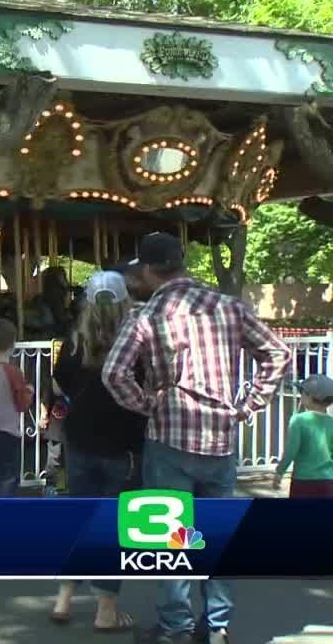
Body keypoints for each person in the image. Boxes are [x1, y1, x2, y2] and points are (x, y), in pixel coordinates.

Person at [103, 232, 291, 644]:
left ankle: (177, 627)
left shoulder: (146, 315)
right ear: (182, 260)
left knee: (171, 538)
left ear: (147, 269)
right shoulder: (228, 306)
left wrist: (148, 403)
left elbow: (113, 373)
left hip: (169, 439)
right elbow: (278, 352)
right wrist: (249, 404)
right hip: (220, 438)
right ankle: (218, 625)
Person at [48, 271, 146, 632]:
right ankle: (105, 610)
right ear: (124, 302)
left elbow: (59, 385)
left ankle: (64, 598)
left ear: (87, 302)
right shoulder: (136, 342)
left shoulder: (74, 343)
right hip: (123, 447)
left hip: (81, 442)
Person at [0, 317, 33, 496]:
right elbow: (23, 404)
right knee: (10, 479)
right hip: (8, 430)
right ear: (12, 343)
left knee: (1, 476)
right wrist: (30, 391)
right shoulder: (12, 371)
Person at [273, 376, 333, 497]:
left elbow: (291, 451)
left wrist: (279, 472)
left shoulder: (298, 420)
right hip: (328, 482)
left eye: (302, 392)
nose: (300, 396)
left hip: (303, 481)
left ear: (309, 396)